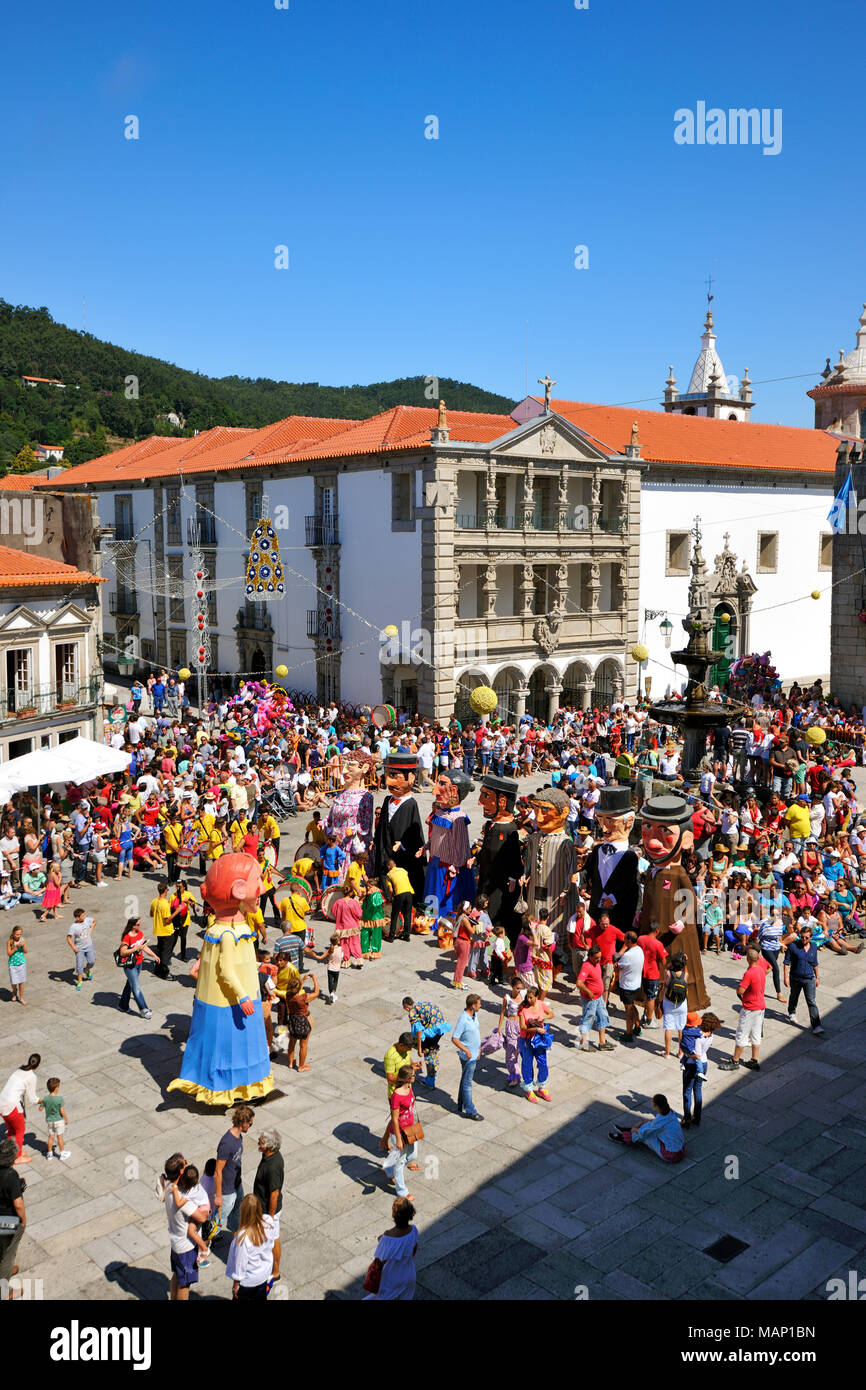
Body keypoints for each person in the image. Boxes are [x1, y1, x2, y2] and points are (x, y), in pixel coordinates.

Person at [162, 1152, 210, 1300]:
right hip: (186, 1248)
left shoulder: (169, 1186)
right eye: (185, 1163)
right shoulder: (184, 1199)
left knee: (177, 1276)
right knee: (185, 1285)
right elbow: (202, 1216)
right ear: (181, 1172)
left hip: (175, 1242)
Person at [719, 947, 770, 1072]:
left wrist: (741, 987)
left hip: (750, 1008)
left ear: (747, 959)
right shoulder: (761, 970)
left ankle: (735, 1061)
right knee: (756, 1034)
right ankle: (754, 1060)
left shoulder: (750, 973)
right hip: (760, 1006)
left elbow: (740, 990)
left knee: (742, 1034)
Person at [363, 1196, 419, 1301]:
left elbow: (380, 1260)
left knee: (380, 1297)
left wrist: (381, 1240)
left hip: (392, 1276)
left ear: (394, 1215)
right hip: (409, 1273)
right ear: (411, 1214)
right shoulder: (413, 1230)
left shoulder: (387, 1237)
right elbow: (414, 1249)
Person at [226, 1194, 279, 1300]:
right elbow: (271, 1245)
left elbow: (240, 1264)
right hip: (263, 1274)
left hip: (248, 1281)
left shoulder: (243, 1238)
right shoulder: (268, 1221)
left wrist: (236, 1285)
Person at [213, 1105, 255, 1237]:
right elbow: (217, 1171)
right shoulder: (227, 1143)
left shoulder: (239, 1137)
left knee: (237, 1212)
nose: (250, 1126)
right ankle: (207, 1240)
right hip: (226, 1190)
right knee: (219, 1219)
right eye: (250, 1123)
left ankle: (235, 1235)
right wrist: (219, 1196)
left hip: (237, 1183)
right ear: (243, 1122)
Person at [608, 1093, 685, 1162]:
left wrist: (634, 1128)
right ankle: (628, 1133)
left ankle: (625, 1137)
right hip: (680, 1150)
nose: (650, 1103)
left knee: (646, 1135)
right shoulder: (670, 1113)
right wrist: (643, 1123)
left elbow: (644, 1132)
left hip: (671, 1154)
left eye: (652, 1103)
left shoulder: (659, 1121)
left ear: (656, 1106)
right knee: (648, 1128)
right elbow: (656, 1123)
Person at [383, 1065, 422, 1198]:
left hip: (410, 1129)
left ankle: (389, 1166)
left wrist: (415, 1068)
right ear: (407, 1078)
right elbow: (394, 1119)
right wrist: (398, 1139)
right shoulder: (396, 1095)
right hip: (399, 1132)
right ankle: (402, 1191)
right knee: (400, 1162)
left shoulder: (409, 1087)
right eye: (412, 1075)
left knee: (412, 1156)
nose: (414, 1077)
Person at [679, 1012, 721, 1126]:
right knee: (698, 1090)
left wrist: (687, 1055)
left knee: (687, 1092)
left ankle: (687, 1118)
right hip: (704, 1063)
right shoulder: (711, 1035)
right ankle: (697, 1117)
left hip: (692, 1065)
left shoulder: (698, 1037)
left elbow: (696, 1055)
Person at [781, 922, 825, 1034]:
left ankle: (816, 1026)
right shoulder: (793, 946)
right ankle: (792, 1012)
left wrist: (817, 977)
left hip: (809, 978)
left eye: (806, 937)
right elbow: (786, 963)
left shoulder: (814, 947)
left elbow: (815, 963)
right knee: (794, 996)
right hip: (795, 977)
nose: (804, 939)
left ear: (811, 937)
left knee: (811, 1001)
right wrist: (785, 977)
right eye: (802, 937)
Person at [253, 1128, 283, 1285]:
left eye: (262, 1141)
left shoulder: (272, 1166)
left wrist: (270, 1218)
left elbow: (274, 1193)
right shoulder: (268, 1156)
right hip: (262, 1208)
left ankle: (275, 1272)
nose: (259, 1142)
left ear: (270, 1146)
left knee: (273, 1240)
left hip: (269, 1211)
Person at [402, 996, 451, 1088]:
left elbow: (419, 1031)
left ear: (406, 1007)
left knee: (427, 1053)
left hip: (431, 1032)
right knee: (432, 1050)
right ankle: (432, 1074)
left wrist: (419, 1049)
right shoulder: (421, 1004)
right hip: (440, 1028)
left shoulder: (412, 1012)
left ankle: (430, 1081)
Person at [517, 984, 555, 1103]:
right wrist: (536, 1029)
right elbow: (523, 1027)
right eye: (528, 997)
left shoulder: (541, 1004)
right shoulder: (523, 1009)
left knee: (542, 1062)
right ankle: (529, 1089)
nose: (529, 1000)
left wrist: (543, 1016)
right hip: (526, 1040)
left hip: (539, 1039)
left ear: (537, 997)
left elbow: (551, 1014)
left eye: (531, 997)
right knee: (527, 1064)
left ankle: (541, 1088)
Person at [0, 1054, 40, 1165]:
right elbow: (33, 1099)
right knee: (20, 1131)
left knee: (11, 1131)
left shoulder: (19, 1070)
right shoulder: (32, 1077)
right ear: (38, 1064)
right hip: (12, 1106)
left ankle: (8, 1153)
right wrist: (42, 1101)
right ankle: (17, 1157)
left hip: (2, 1103)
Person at [118, 916, 159, 1019]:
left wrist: (154, 955)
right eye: (138, 924)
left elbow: (144, 946)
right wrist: (136, 948)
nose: (140, 926)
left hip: (139, 963)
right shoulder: (127, 937)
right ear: (132, 925)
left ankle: (123, 1005)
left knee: (130, 984)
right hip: (130, 965)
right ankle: (144, 1009)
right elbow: (122, 952)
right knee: (136, 988)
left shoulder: (140, 933)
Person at [576, 945, 616, 1051]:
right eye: (596, 958)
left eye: (600, 957)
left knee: (603, 1017)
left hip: (599, 998)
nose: (599, 960)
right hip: (590, 1000)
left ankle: (602, 1042)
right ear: (590, 956)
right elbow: (579, 983)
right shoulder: (587, 966)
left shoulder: (596, 963)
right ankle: (583, 1043)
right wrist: (588, 992)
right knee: (587, 1019)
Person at [451, 992, 484, 1120]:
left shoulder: (474, 1016)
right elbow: (454, 1038)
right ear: (472, 1005)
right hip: (468, 1057)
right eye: (479, 1003)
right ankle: (470, 1110)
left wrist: (479, 1049)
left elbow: (476, 1033)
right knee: (468, 1083)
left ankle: (460, 1103)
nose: (481, 1006)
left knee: (465, 1079)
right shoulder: (463, 1020)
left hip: (475, 1054)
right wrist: (466, 1050)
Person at [0, 1139, 26, 1293]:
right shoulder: (11, 1175)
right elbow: (18, 1204)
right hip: (7, 1220)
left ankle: (5, 1271)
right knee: (8, 1254)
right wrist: (23, 1220)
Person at [614, 930, 645, 1044]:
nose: (624, 941)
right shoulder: (639, 950)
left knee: (628, 1011)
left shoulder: (627, 955)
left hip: (627, 986)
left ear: (629, 941)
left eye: (625, 939)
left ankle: (628, 1033)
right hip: (636, 984)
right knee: (632, 1006)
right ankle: (637, 1027)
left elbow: (617, 967)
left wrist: (616, 964)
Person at [661, 951, 689, 1060]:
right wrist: (685, 962)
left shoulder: (668, 973)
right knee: (681, 1028)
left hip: (668, 1002)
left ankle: (667, 1053)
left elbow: (666, 970)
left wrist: (671, 963)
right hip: (682, 1004)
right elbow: (686, 972)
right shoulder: (685, 974)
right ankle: (680, 1052)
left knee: (669, 1028)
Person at [38, 1077, 69, 1160]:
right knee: (60, 1137)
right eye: (58, 1086)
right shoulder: (59, 1099)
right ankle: (62, 1153)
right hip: (58, 1120)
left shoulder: (45, 1099)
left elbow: (40, 1109)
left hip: (49, 1121)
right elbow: (62, 1110)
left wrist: (43, 1103)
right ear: (56, 1088)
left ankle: (49, 1154)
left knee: (51, 1137)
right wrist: (66, 1119)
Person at [150, 879, 175, 980]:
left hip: (158, 929)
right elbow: (167, 920)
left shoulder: (154, 901)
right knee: (166, 952)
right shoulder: (165, 904)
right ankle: (164, 972)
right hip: (166, 931)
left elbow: (151, 914)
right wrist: (176, 911)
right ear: (165, 890)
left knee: (160, 950)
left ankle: (157, 969)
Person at [66, 908, 96, 991]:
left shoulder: (87, 920)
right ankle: (79, 981)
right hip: (79, 949)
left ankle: (87, 969)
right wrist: (74, 948)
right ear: (77, 918)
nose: (84, 916)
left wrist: (91, 929)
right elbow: (68, 938)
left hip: (89, 946)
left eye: (84, 914)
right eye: (83, 915)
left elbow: (94, 921)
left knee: (92, 961)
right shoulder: (73, 927)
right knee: (79, 965)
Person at [7, 926, 27, 1006]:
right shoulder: (10, 941)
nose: (18, 936)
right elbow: (9, 953)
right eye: (17, 934)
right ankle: (14, 992)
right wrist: (16, 947)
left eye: (20, 934)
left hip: (22, 963)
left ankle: (21, 998)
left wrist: (23, 945)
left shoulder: (22, 939)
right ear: (13, 933)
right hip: (12, 964)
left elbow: (25, 951)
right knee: (14, 982)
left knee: (21, 982)